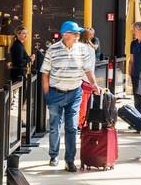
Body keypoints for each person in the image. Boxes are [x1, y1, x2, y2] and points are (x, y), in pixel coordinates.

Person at [40, 20, 100, 170]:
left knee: (72, 127)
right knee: (54, 127)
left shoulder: (82, 49)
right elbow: (45, 74)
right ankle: (54, 156)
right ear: (66, 35)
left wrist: (94, 84)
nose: (79, 35)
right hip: (55, 94)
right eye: (76, 33)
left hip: (75, 94)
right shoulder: (53, 50)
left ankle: (70, 160)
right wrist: (47, 95)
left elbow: (88, 70)